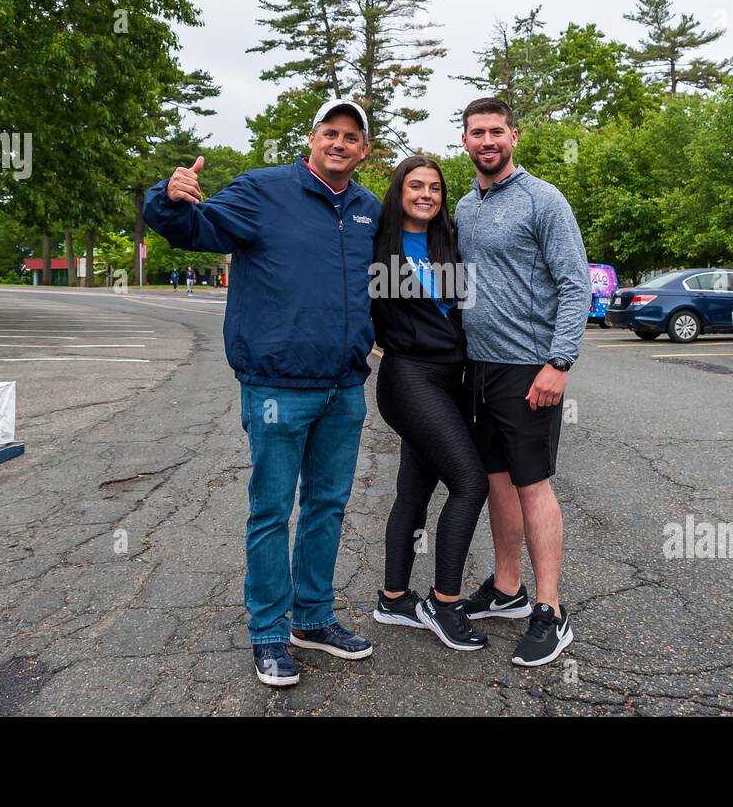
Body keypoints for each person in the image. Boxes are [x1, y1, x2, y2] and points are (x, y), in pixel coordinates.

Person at [142, 99, 381, 688]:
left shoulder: (369, 210)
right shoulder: (262, 190)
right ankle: (270, 634)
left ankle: (314, 619)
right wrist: (167, 198)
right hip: (277, 384)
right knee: (272, 511)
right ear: (312, 138)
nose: (340, 143)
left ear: (365, 151)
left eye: (352, 137)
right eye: (331, 133)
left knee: (327, 507)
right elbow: (192, 229)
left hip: (344, 387)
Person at [455, 97, 591, 667]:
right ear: (464, 141)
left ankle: (550, 610)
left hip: (529, 369)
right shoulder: (463, 206)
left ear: (515, 136)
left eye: (496, 131)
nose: (487, 141)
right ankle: (507, 588)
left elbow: (576, 284)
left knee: (533, 483)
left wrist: (559, 363)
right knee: (497, 481)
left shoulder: (543, 200)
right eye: (476, 132)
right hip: (478, 369)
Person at [370, 156, 490, 651]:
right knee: (470, 482)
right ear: (399, 191)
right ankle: (445, 604)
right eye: (415, 185)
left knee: (414, 491)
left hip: (453, 379)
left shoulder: (450, 243)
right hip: (408, 377)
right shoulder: (379, 244)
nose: (426, 194)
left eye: (435, 188)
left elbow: (463, 312)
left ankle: (394, 599)